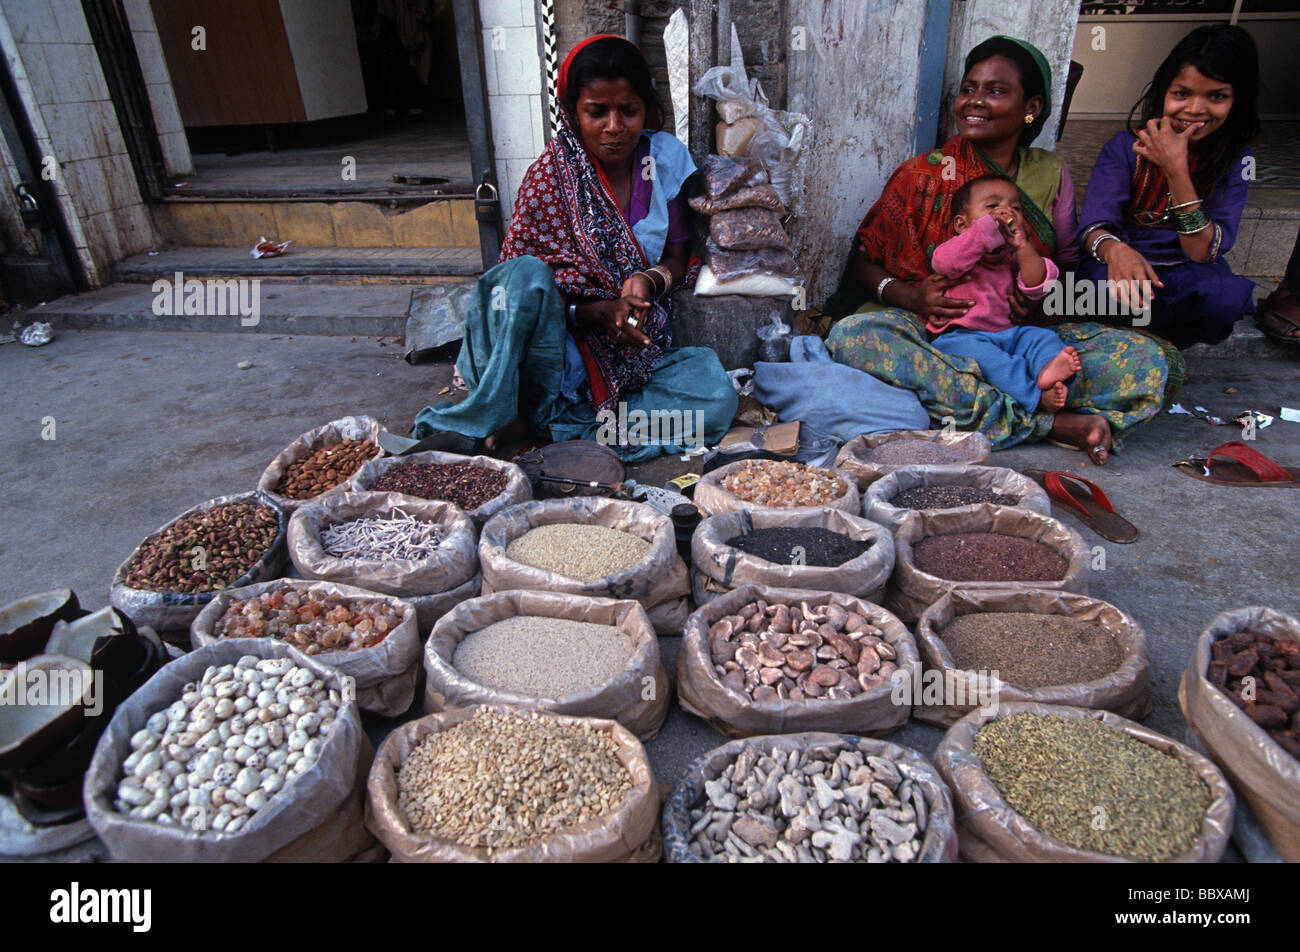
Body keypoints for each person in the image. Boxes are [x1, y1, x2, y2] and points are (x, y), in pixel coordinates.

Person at [827, 35, 1180, 465]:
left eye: (995, 91)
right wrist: (910, 296)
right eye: (969, 89)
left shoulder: (1049, 173)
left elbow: (1067, 265)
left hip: (1016, 334)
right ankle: (1049, 421)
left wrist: (1038, 298)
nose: (974, 102)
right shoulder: (924, 173)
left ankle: (968, 409)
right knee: (854, 339)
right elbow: (865, 259)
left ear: (1030, 107)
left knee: (1148, 363)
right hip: (933, 335)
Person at [410, 35, 736, 460]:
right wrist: (591, 312)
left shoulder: (664, 158)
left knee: (715, 396)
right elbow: (522, 299)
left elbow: (677, 256)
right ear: (571, 113)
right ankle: (520, 410)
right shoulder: (550, 176)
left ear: (647, 110)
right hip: (546, 350)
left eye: (629, 110)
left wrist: (645, 282)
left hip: (626, 350)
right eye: (597, 112)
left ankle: (550, 424)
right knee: (520, 277)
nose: (615, 127)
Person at [1077, 25, 1260, 350]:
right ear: (1163, 92)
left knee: (1225, 298)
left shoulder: (1238, 161)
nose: (1195, 109)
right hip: (1120, 266)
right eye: (1182, 93)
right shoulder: (1123, 147)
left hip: (1188, 270)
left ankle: (1158, 344)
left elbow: (1202, 252)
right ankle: (1136, 341)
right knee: (1076, 293)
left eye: (1216, 96)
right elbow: (1094, 226)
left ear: (1238, 100)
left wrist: (1176, 169)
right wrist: (1117, 251)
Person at [928, 174, 1080, 413]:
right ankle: (1036, 397)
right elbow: (943, 263)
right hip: (962, 337)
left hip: (1010, 335)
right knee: (991, 361)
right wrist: (983, 233)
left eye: (1016, 208)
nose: (1005, 211)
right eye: (992, 206)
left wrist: (1022, 246)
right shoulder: (960, 253)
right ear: (961, 224)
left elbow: (1040, 283)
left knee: (1044, 339)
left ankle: (1048, 371)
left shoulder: (1013, 258)